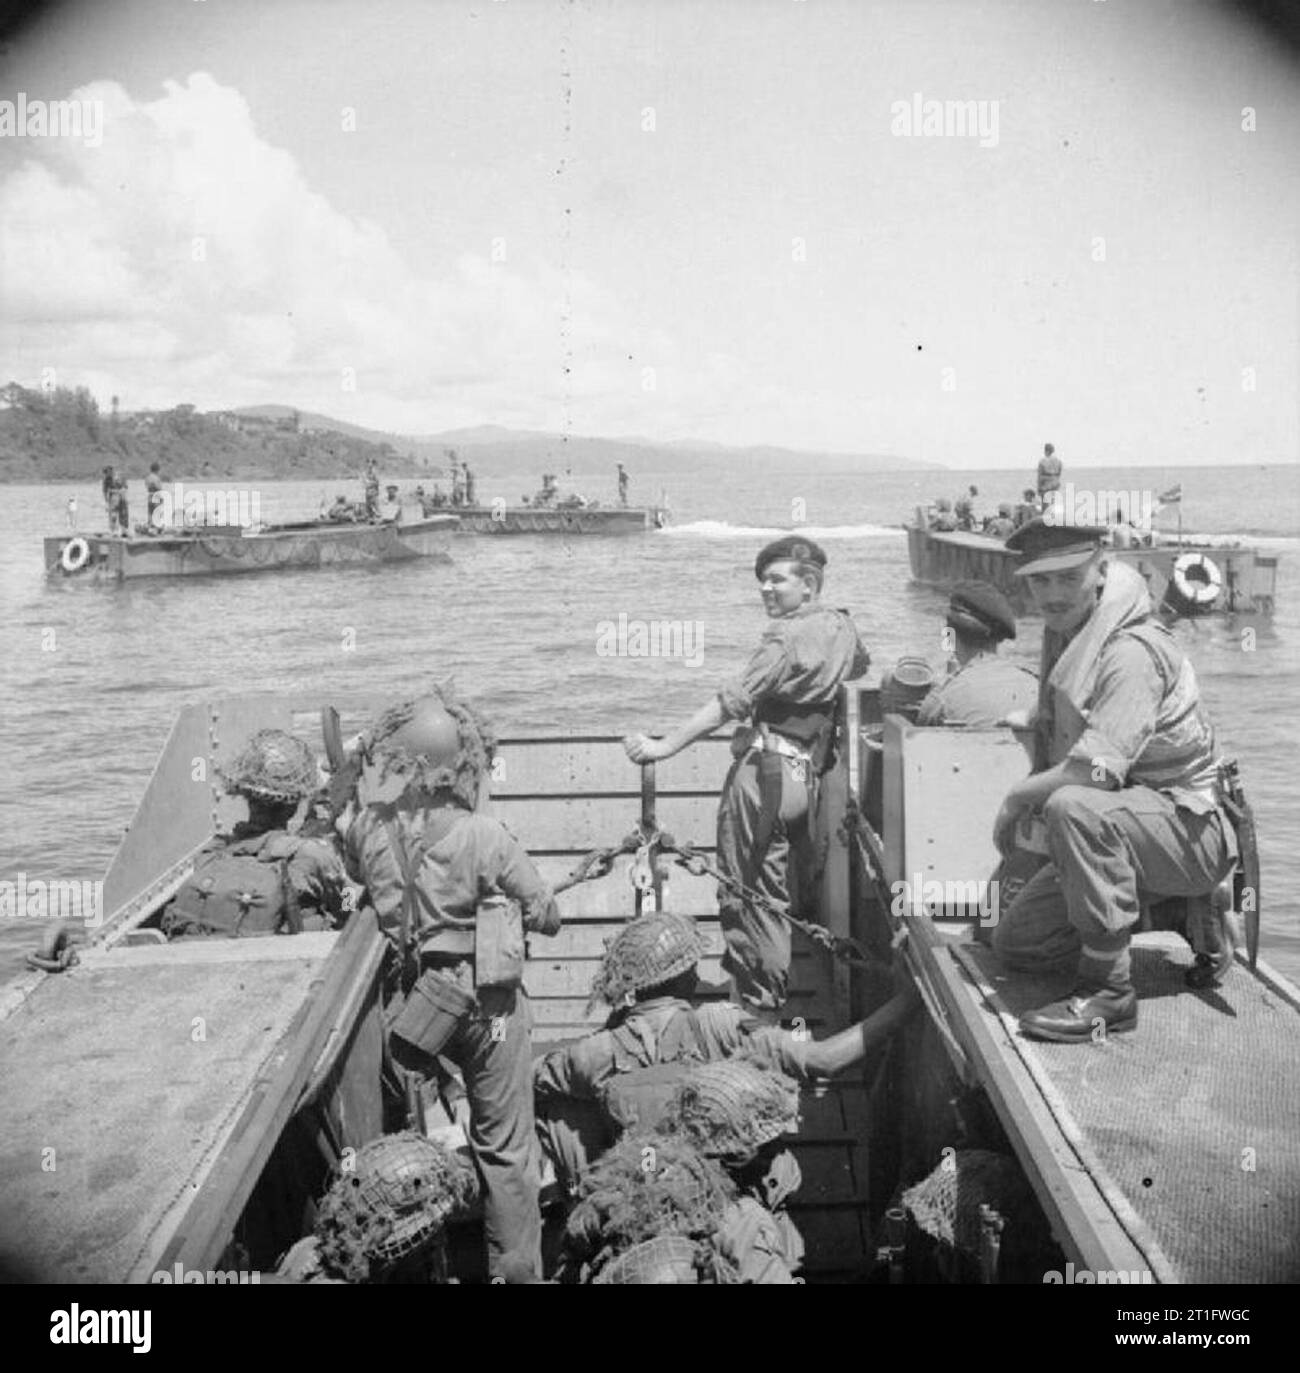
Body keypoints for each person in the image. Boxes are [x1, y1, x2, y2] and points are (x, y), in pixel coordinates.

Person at [989, 519, 1239, 1042]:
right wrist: (1034, 719)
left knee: (1073, 806)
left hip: (1190, 830)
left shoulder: (1128, 651)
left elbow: (1095, 773)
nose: (1054, 594)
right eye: (1040, 581)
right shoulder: (1078, 630)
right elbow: (1088, 713)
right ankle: (1175, 907)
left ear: (1101, 570)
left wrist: (1015, 799)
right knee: (1018, 946)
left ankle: (1110, 993)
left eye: (1068, 577)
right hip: (1134, 827)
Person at [342, 689, 562, 1280]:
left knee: (402, 1134)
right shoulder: (484, 835)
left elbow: (346, 828)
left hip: (414, 1012)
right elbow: (546, 912)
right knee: (508, 1151)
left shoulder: (368, 832)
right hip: (486, 1012)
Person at [624, 536, 869, 1016]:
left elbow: (729, 703)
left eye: (778, 579)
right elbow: (859, 667)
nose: (766, 589)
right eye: (762, 580)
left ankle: (757, 1021)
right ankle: (767, 1004)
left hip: (763, 783)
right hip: (805, 781)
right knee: (775, 893)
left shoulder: (784, 637)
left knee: (750, 899)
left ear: (810, 583)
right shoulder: (842, 625)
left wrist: (662, 746)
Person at [533, 910, 916, 1191]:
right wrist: (911, 998)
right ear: (686, 976)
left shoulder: (593, 1053)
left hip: (636, 1192)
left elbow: (530, 1078)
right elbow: (825, 1060)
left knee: (561, 1113)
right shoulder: (717, 1025)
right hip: (720, 1196)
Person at [161, 730, 348, 939]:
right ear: (293, 807)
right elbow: (344, 903)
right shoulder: (313, 854)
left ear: (247, 797)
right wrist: (348, 885)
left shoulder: (214, 851)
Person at [915, 582, 1038, 728]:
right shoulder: (1035, 683)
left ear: (950, 635)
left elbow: (917, 733)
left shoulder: (944, 696)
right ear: (999, 638)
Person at [146, 461, 164, 528]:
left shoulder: (148, 478)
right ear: (157, 470)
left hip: (150, 496)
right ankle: (157, 527)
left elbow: (146, 486)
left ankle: (150, 526)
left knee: (150, 513)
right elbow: (159, 487)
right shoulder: (156, 478)